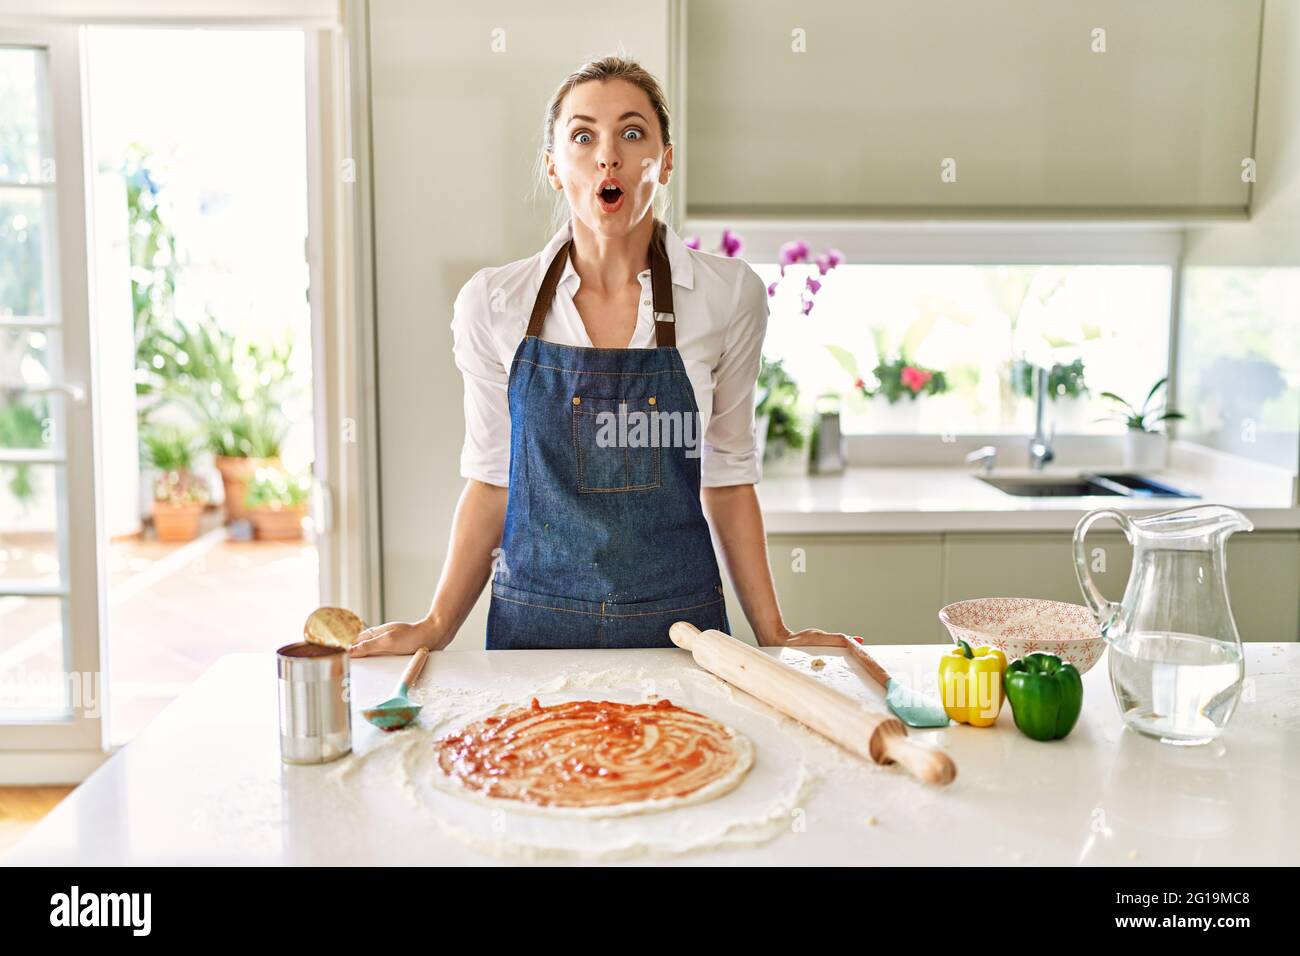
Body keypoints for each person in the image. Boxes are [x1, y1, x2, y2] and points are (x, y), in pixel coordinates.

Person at [351, 56, 844, 655]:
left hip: (682, 634)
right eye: (583, 136)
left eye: (631, 133)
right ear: (554, 167)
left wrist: (775, 634)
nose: (608, 155)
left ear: (664, 160)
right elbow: (491, 482)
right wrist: (435, 627)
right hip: (535, 631)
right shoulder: (494, 303)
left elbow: (729, 476)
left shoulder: (729, 296)